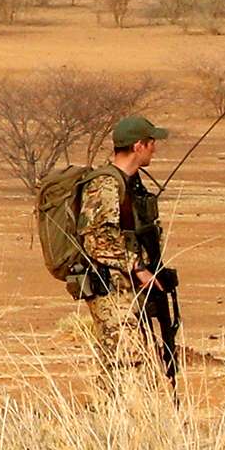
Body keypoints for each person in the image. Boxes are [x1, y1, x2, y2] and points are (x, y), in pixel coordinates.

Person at [75, 112, 170, 378]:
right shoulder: (105, 184)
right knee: (122, 362)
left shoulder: (130, 183)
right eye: (151, 142)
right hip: (112, 288)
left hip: (128, 288)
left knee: (135, 359)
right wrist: (138, 268)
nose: (155, 148)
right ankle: (108, 415)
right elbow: (96, 239)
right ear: (138, 146)